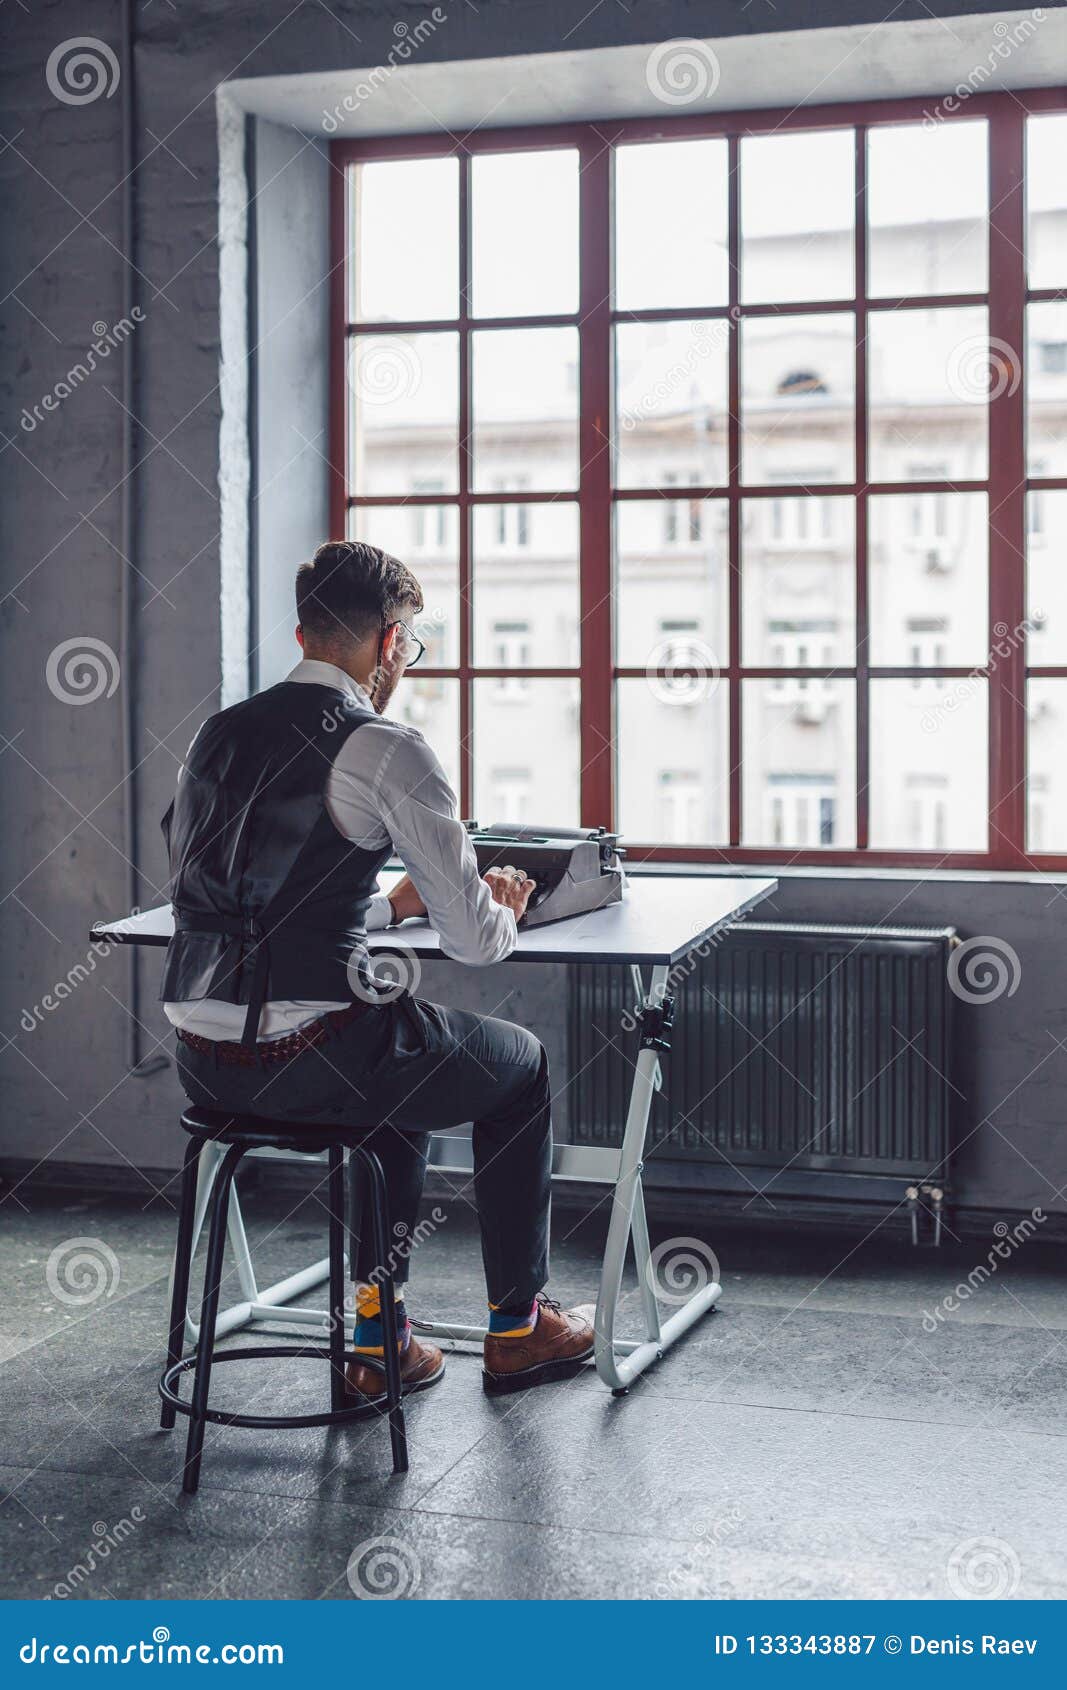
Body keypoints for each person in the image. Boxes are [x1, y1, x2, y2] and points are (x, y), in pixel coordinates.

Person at [160, 539, 594, 1401]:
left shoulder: (217, 734)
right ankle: (517, 1325)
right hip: (313, 1061)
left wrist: (389, 908)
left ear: (303, 631)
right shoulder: (385, 747)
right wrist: (499, 902)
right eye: (412, 644)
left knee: (400, 1050)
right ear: (391, 640)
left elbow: (239, 894)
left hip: (202, 1062)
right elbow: (475, 944)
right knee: (514, 1065)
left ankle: (379, 1334)